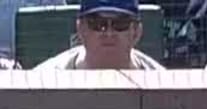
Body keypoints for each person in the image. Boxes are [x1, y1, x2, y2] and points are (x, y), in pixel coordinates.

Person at [32, 0, 167, 70]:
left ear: (136, 32)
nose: (109, 33)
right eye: (97, 23)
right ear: (80, 29)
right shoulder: (44, 81)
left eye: (120, 24)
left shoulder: (162, 88)